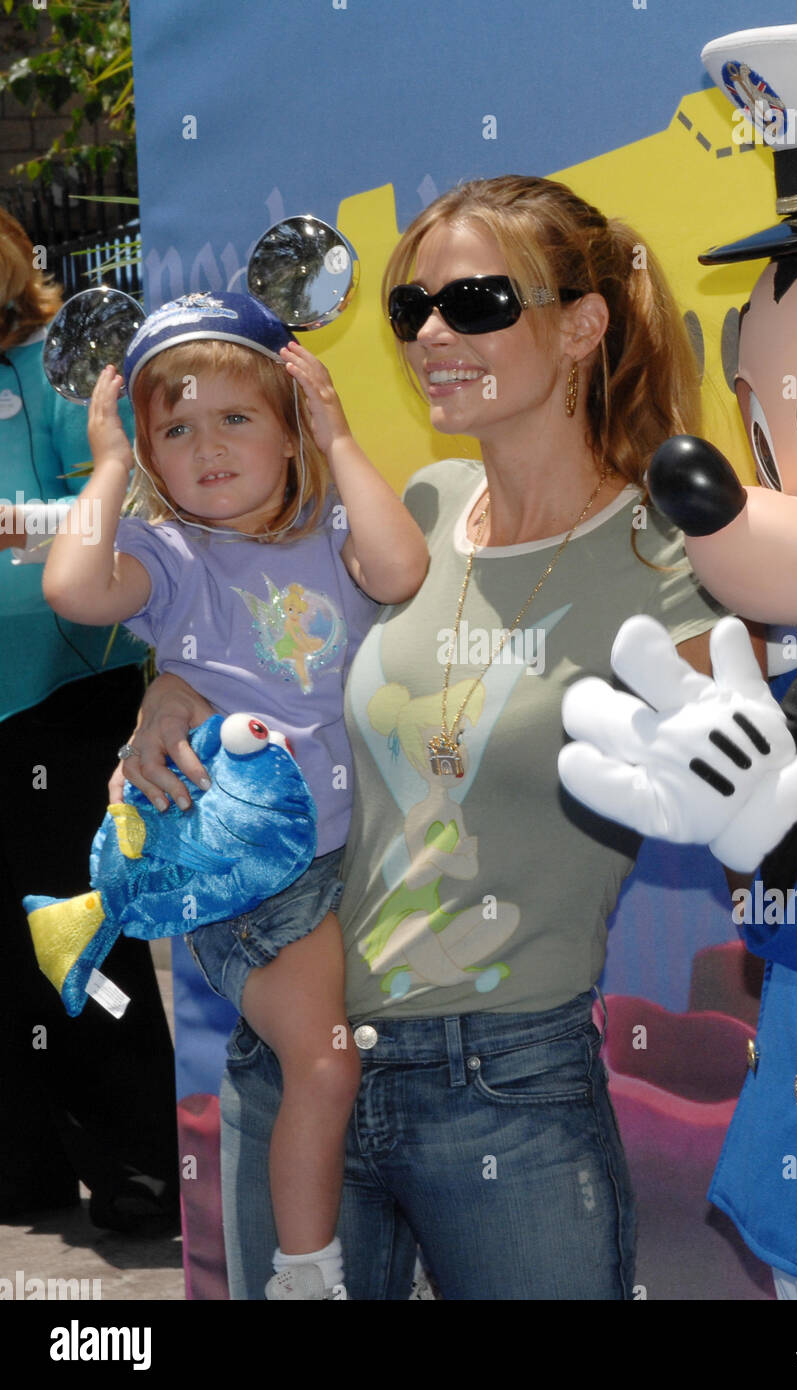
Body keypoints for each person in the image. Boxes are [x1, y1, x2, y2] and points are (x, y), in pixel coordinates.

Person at [115, 176, 727, 1299]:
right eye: (412, 309)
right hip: (300, 1059)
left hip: (507, 1083)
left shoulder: (674, 559)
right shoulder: (422, 509)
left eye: (479, 300)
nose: (435, 334)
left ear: (584, 325)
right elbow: (254, 636)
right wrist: (169, 688)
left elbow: (742, 792)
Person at [41, 289, 428, 1299]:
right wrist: (111, 462)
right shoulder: (171, 559)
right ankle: (305, 1272)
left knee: (360, 1064)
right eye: (175, 429)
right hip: (256, 879)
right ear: (153, 455)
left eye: (237, 418)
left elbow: (401, 566)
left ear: (288, 431)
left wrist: (337, 434)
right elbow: (74, 591)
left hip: (357, 860)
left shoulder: (337, 527)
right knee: (329, 1064)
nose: (207, 448)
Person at [0, 206, 179, 1233]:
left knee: (81, 930)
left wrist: (16, 525)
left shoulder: (63, 365)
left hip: (67, 695)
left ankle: (138, 1165)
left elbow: (127, 511)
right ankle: (20, 1167)